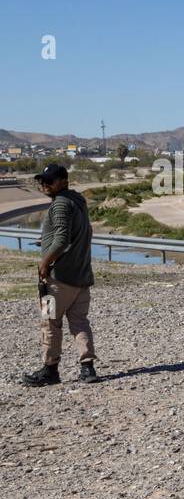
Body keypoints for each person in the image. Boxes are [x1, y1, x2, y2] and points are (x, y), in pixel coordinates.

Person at [22, 164, 97, 387]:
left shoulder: (61, 205)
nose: (44, 184)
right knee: (80, 322)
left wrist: (45, 262)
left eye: (49, 180)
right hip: (81, 278)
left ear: (63, 181)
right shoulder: (78, 201)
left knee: (48, 321)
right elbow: (72, 236)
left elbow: (62, 238)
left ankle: (49, 370)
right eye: (42, 180)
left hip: (57, 280)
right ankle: (88, 368)